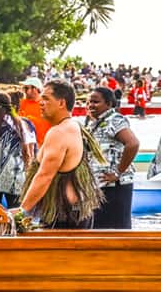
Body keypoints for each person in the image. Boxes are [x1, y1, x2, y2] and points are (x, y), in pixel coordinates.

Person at [18, 80, 103, 229]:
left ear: (61, 103)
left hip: (64, 216)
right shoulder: (73, 126)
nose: (40, 103)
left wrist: (22, 212)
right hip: (76, 212)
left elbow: (45, 176)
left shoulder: (59, 132)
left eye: (46, 99)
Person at [85, 87, 139, 229]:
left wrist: (117, 172)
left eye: (95, 102)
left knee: (116, 229)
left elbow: (133, 144)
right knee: (99, 228)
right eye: (89, 102)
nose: (90, 105)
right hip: (100, 184)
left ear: (108, 104)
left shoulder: (114, 119)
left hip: (115, 185)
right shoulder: (94, 122)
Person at [18, 77, 49, 143]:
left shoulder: (45, 104)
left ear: (35, 89)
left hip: (40, 143)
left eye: (26, 88)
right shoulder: (23, 102)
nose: (24, 91)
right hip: (25, 143)